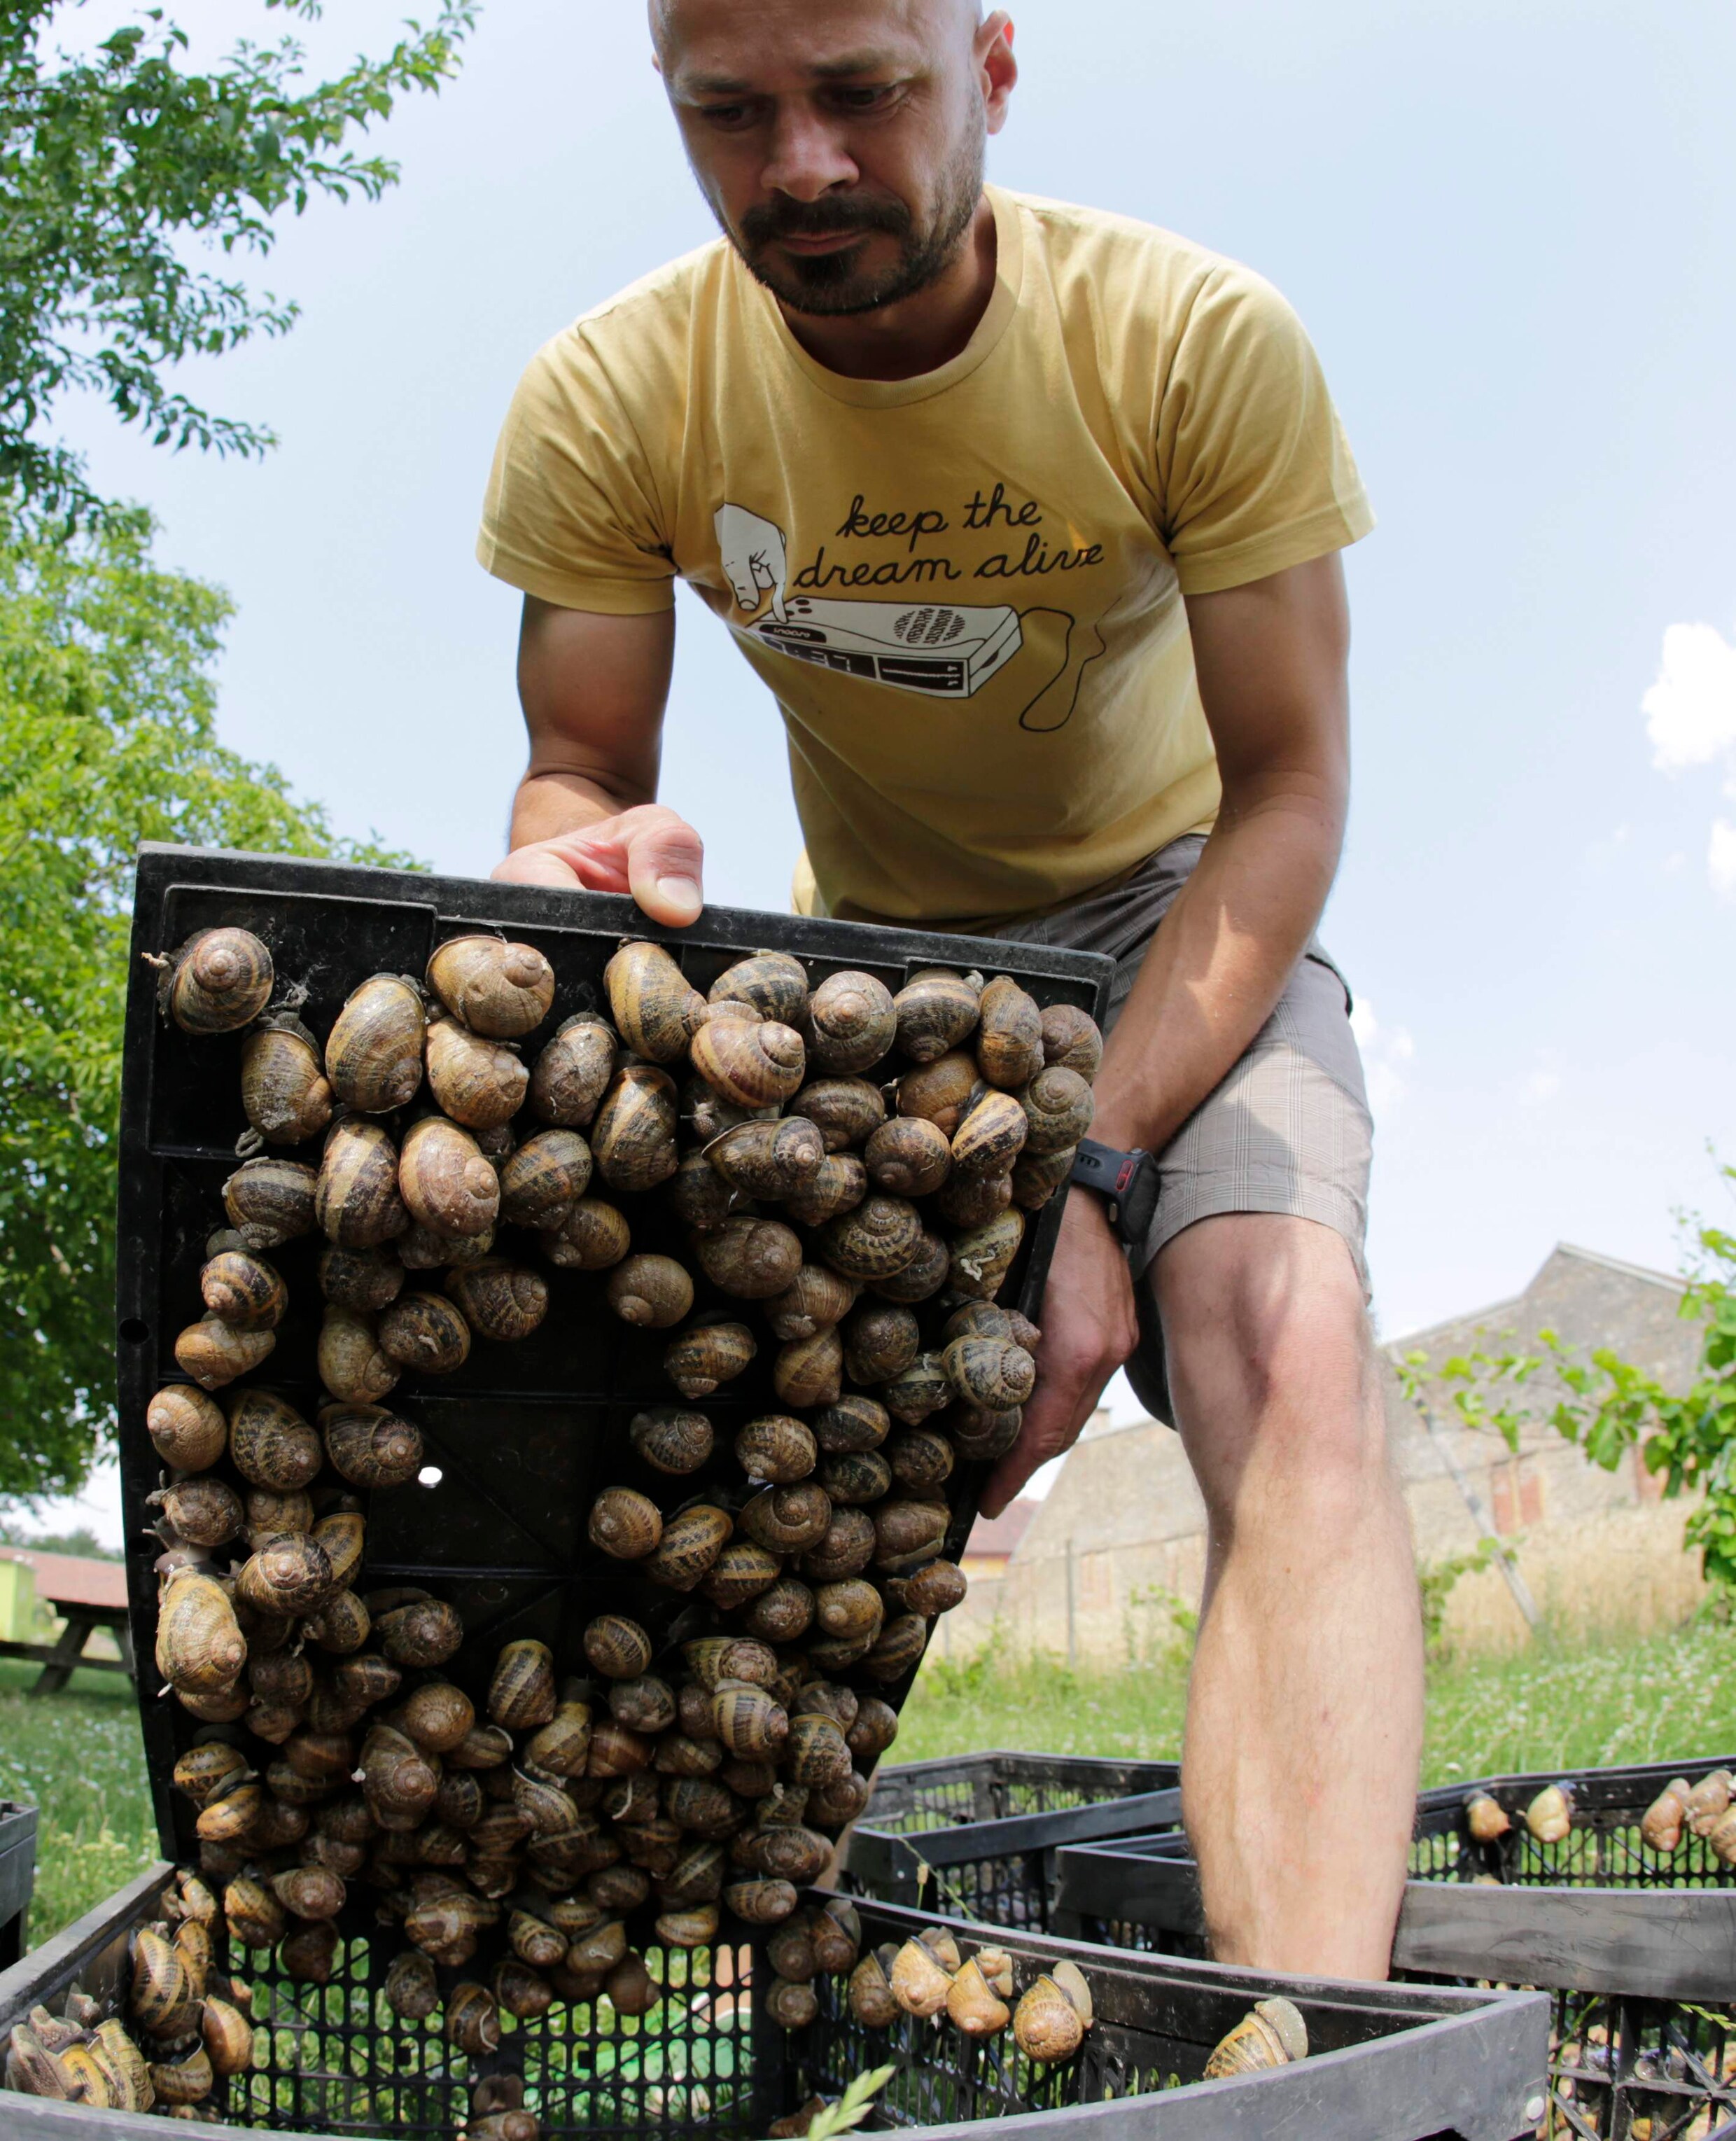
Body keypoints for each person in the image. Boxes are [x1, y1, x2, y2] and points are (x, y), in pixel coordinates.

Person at [477, 0, 1422, 1979]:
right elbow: (578, 766)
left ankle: (1312, 2054)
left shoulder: (1186, 343)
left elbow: (1294, 796)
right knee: (773, 1450)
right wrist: (570, 852)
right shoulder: (612, 394)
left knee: (1284, 1327)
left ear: (990, 71)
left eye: (863, 93)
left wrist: (1096, 1172)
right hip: (875, 967)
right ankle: (703, 1950)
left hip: (1182, 914)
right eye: (728, 111)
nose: (800, 165)